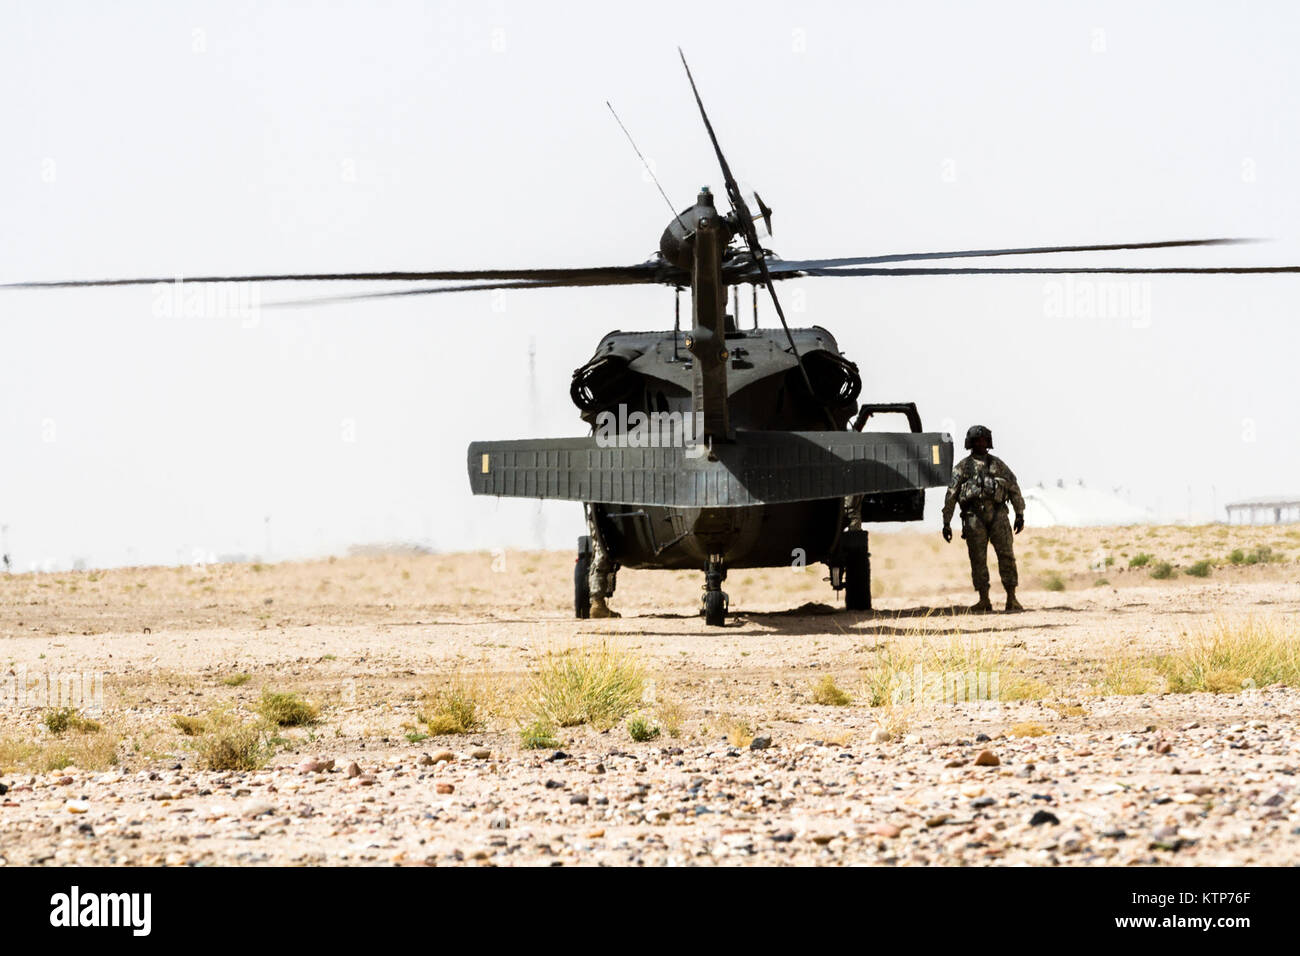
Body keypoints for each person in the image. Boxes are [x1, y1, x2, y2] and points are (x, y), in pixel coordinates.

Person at [941, 425, 1025, 613]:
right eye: (977, 440)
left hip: (999, 516)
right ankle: (984, 599)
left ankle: (1011, 598)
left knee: (1006, 556)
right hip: (973, 518)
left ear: (988, 442)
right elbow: (951, 495)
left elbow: (1013, 488)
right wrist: (946, 522)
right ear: (970, 443)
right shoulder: (962, 467)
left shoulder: (998, 465)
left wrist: (1020, 514)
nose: (980, 443)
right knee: (978, 559)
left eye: (983, 440)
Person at [586, 506, 620, 618]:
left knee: (602, 554)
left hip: (603, 515)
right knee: (602, 556)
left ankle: (597, 603)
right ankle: (597, 604)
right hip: (603, 516)